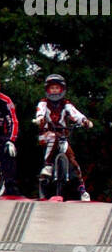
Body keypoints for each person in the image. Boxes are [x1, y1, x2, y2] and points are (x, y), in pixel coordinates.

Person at [34, 73, 93, 201]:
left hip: (62, 135)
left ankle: (82, 189)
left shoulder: (66, 104)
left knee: (72, 159)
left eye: (57, 88)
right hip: (45, 135)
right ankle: (48, 165)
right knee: (52, 137)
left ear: (62, 90)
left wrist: (84, 121)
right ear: (47, 90)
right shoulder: (43, 103)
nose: (54, 91)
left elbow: (75, 114)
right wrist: (39, 119)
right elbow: (40, 112)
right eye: (52, 88)